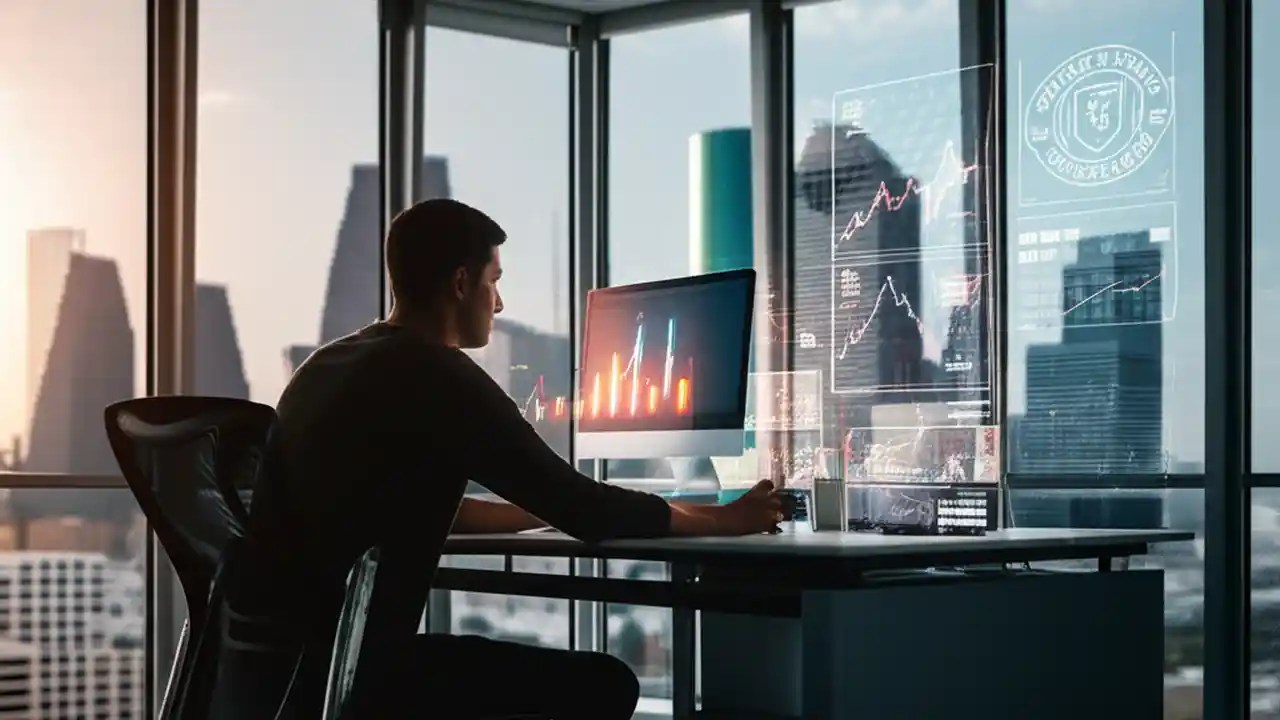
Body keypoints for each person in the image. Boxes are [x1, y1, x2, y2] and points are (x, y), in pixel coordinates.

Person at [244, 198, 784, 719]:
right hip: (360, 678)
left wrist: (534, 511)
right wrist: (725, 518)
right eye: (493, 281)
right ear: (461, 283)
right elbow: (585, 510)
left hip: (280, 676)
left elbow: (396, 509)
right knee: (606, 685)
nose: (498, 304)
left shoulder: (324, 367)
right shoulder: (438, 376)